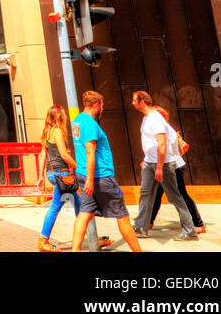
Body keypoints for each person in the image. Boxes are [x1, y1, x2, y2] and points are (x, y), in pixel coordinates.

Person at [70, 89, 142, 252]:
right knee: (122, 216)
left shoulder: (77, 121)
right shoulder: (89, 123)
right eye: (102, 105)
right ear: (97, 105)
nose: (103, 109)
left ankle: (75, 250)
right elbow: (89, 151)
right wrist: (90, 179)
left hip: (83, 174)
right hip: (99, 177)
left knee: (85, 213)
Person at [137, 100, 204, 238]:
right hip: (164, 165)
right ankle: (146, 223)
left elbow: (167, 149)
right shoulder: (160, 129)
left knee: (179, 196)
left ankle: (196, 224)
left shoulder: (167, 130)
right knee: (155, 194)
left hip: (173, 166)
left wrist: (160, 166)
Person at [37, 105, 79, 251]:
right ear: (60, 116)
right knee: (55, 207)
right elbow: (64, 154)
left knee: (80, 205)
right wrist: (78, 166)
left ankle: (91, 235)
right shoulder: (57, 131)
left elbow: (42, 155)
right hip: (61, 174)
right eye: (63, 115)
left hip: (52, 173)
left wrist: (41, 176)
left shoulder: (46, 132)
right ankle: (43, 239)